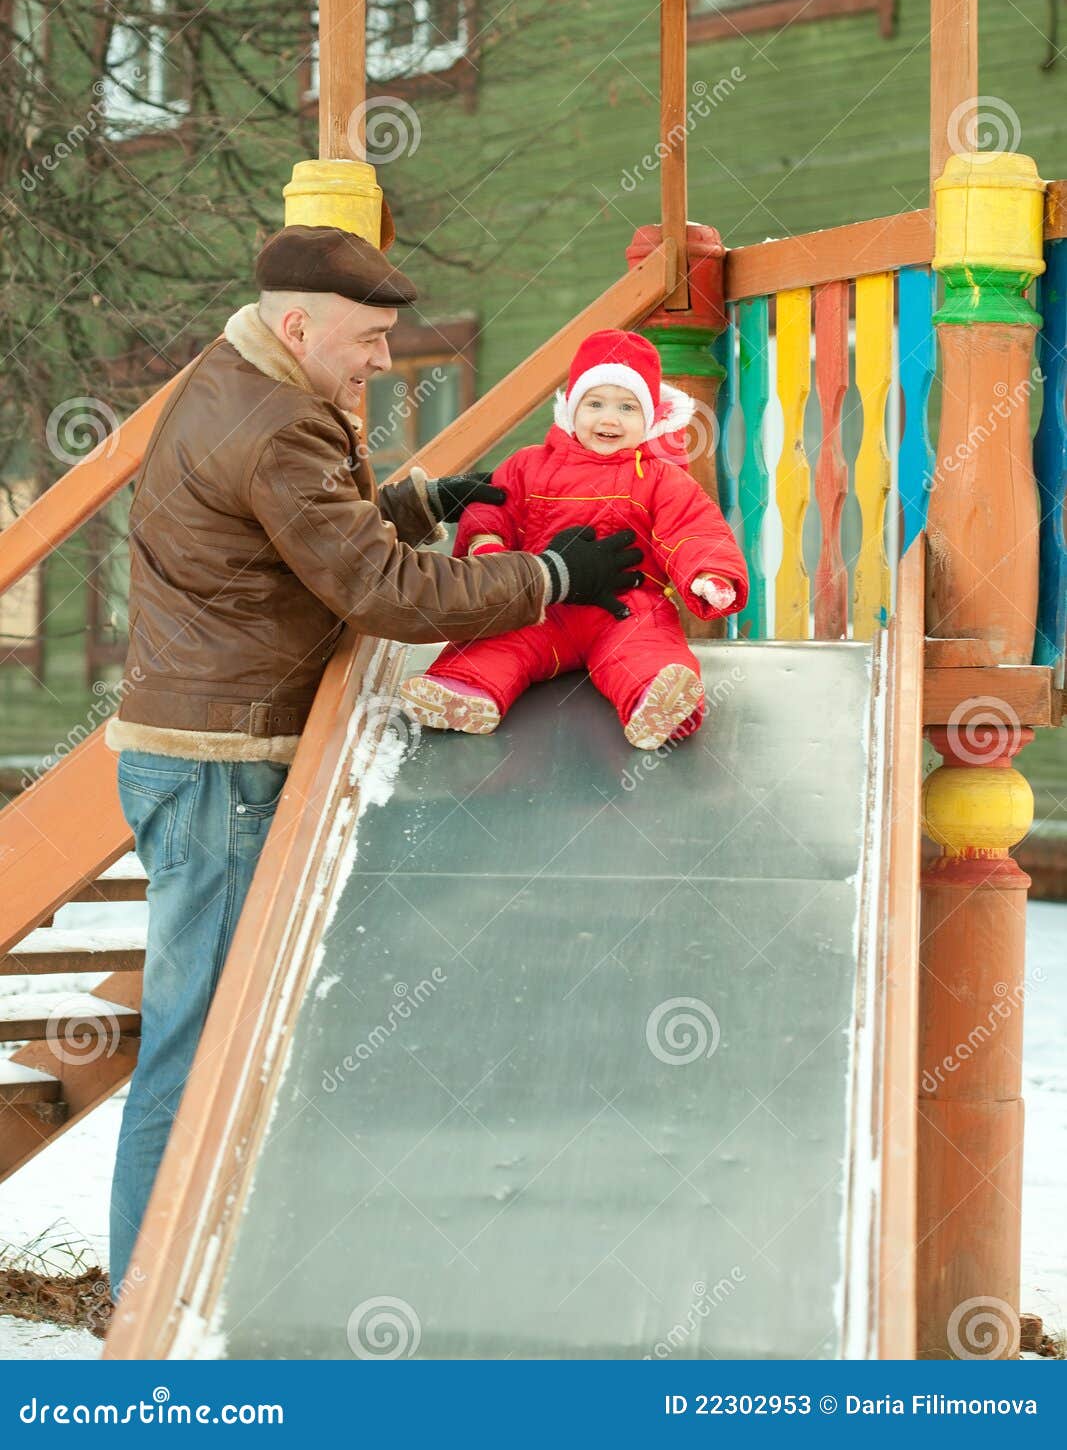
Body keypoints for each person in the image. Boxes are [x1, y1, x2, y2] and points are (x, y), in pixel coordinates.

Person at [102, 225, 643, 1301]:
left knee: (224, 1035)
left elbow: (291, 543)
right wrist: (546, 578)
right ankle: (146, 1306)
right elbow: (381, 593)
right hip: (222, 769)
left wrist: (421, 503)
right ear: (299, 324)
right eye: (368, 339)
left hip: (212, 752)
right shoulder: (274, 426)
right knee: (198, 1046)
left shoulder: (243, 380)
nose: (383, 361)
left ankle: (190, 1282)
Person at [400, 329, 749, 749]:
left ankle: (656, 701)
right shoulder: (529, 464)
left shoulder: (661, 478)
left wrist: (710, 572)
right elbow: (494, 504)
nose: (609, 419)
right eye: (595, 403)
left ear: (651, 418)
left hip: (627, 605)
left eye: (627, 407)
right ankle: (464, 692)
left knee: (647, 646)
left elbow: (693, 526)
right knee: (499, 639)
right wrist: (486, 544)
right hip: (542, 601)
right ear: (570, 409)